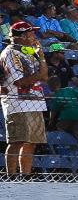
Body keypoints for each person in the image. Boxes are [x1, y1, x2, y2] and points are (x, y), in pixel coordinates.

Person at [1, 22, 48, 178]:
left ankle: (25, 176)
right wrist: (39, 74)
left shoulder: (28, 52)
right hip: (17, 101)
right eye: (31, 33)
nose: (34, 36)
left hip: (35, 100)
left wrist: (40, 56)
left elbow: (45, 76)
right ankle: (11, 176)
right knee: (17, 140)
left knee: (31, 142)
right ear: (22, 36)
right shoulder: (10, 53)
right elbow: (20, 81)